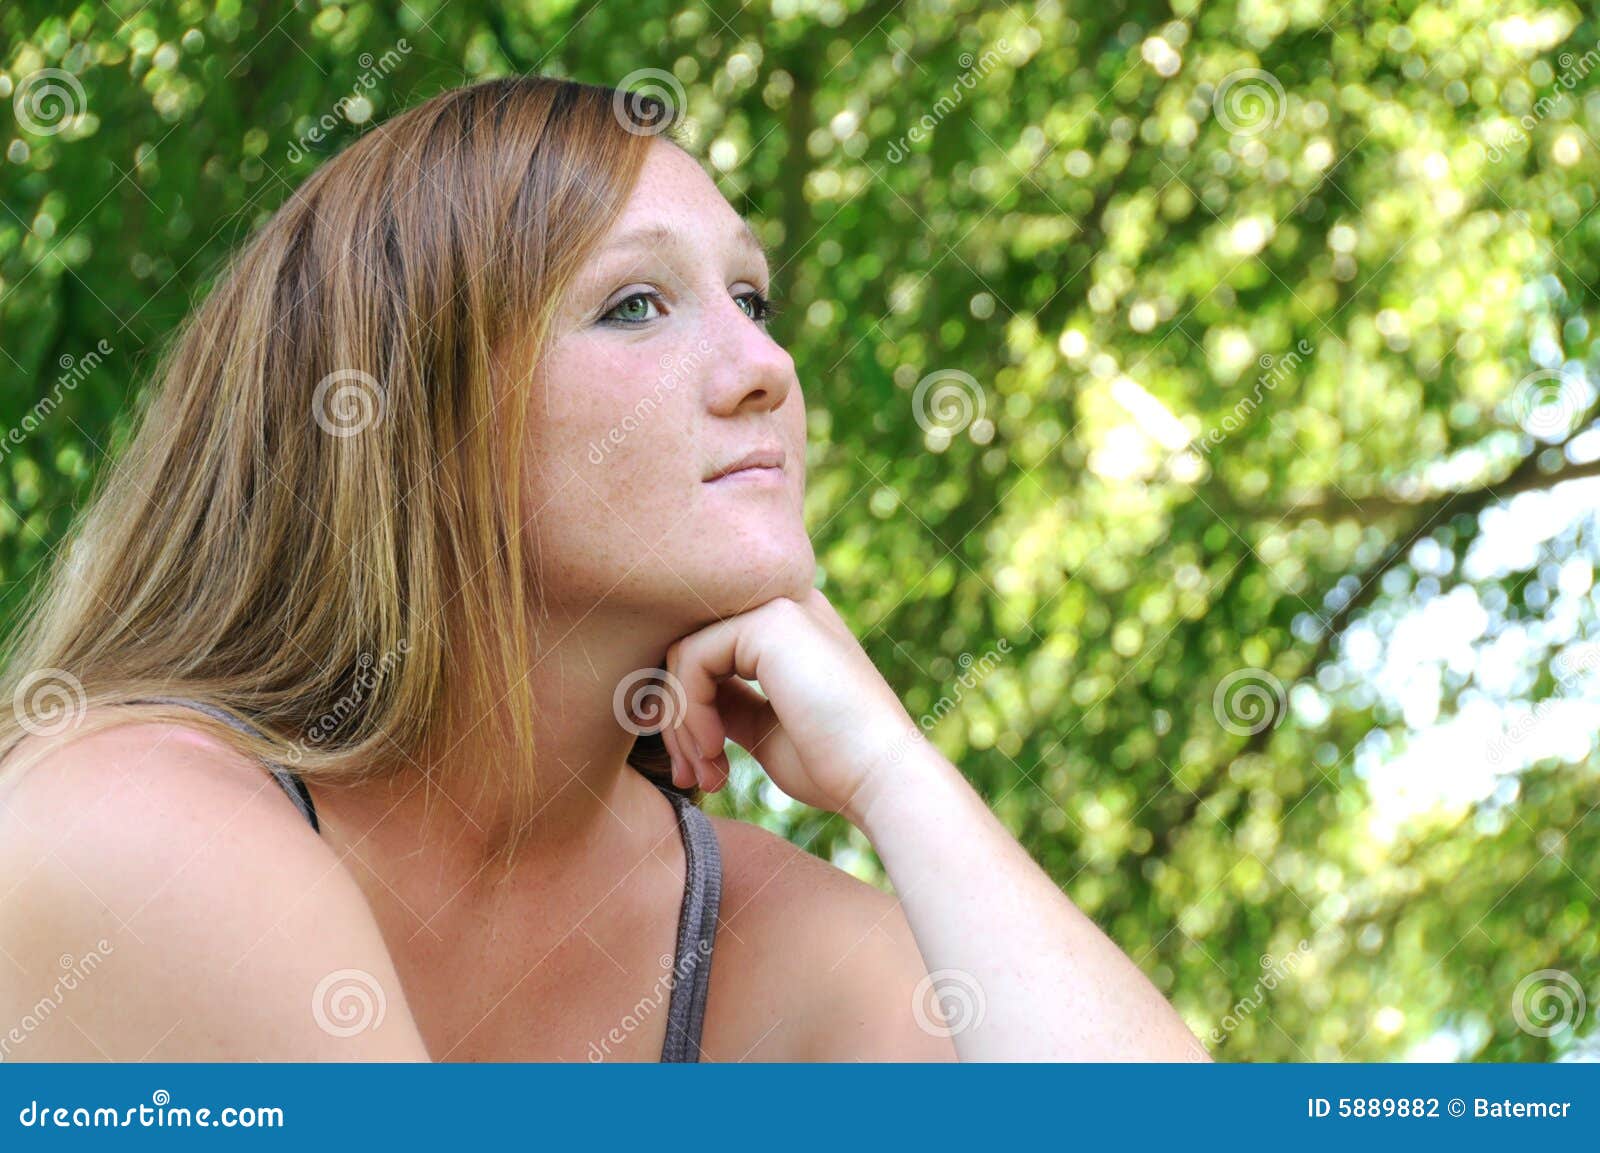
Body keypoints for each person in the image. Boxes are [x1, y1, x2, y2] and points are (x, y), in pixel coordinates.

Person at [0, 75, 1205, 1062]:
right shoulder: (135, 825)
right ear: (409, 425)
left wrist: (901, 777)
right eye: (634, 304)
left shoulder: (753, 937)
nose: (764, 367)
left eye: (751, 296)